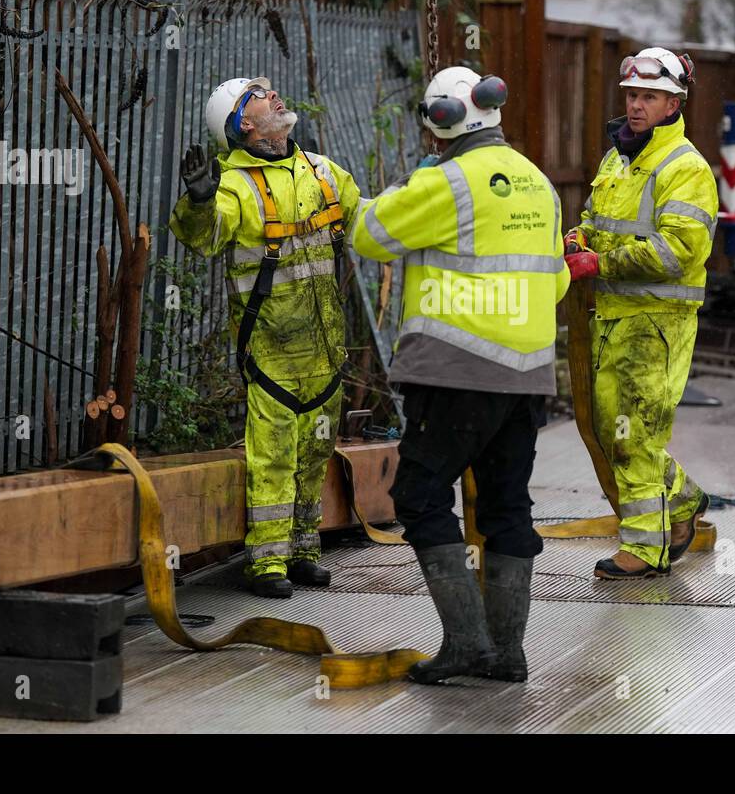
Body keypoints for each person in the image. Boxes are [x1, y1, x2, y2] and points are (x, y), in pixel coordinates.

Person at [351, 66, 568, 684]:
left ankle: (468, 642)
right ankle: (507, 652)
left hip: (458, 370)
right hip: (527, 375)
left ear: (441, 121)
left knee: (419, 495)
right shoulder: (539, 183)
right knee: (506, 504)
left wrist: (406, 187)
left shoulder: (446, 183)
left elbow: (369, 234)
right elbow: (554, 279)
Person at [171, 76, 360, 599]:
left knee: (314, 452)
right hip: (273, 351)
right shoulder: (233, 185)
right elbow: (204, 238)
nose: (275, 95)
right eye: (259, 96)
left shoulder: (322, 172)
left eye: (271, 90)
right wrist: (200, 202)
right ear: (244, 125)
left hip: (326, 350)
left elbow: (371, 223)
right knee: (272, 455)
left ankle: (303, 549)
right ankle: (267, 562)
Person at [565, 48, 719, 580]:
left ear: (674, 101)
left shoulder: (685, 168)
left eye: (648, 97)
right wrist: (580, 235)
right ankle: (684, 500)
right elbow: (596, 217)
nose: (635, 106)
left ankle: (645, 548)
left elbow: (680, 251)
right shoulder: (620, 157)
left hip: (657, 321)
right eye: (631, 95)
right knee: (613, 428)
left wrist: (599, 261)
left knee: (636, 432)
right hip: (614, 314)